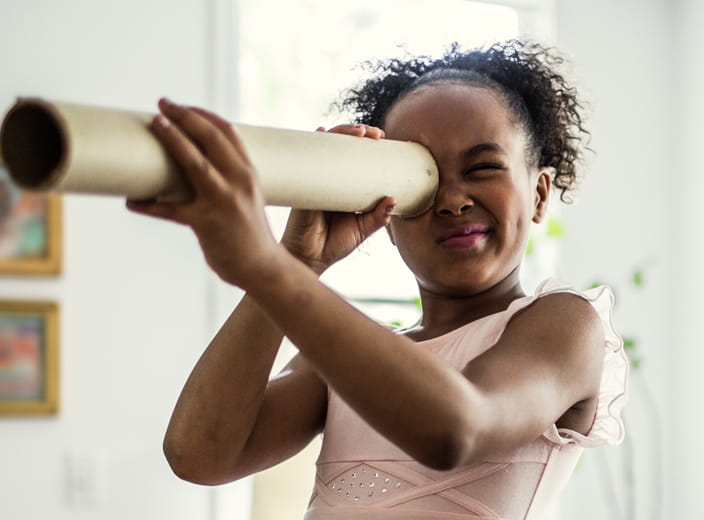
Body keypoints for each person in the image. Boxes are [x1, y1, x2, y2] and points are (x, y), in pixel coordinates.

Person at [127, 39, 628, 519]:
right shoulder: (340, 364)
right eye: (424, 178)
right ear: (386, 209)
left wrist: (264, 267)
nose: (454, 200)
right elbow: (200, 455)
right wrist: (295, 261)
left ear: (539, 193)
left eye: (482, 168)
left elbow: (457, 428)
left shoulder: (563, 324)